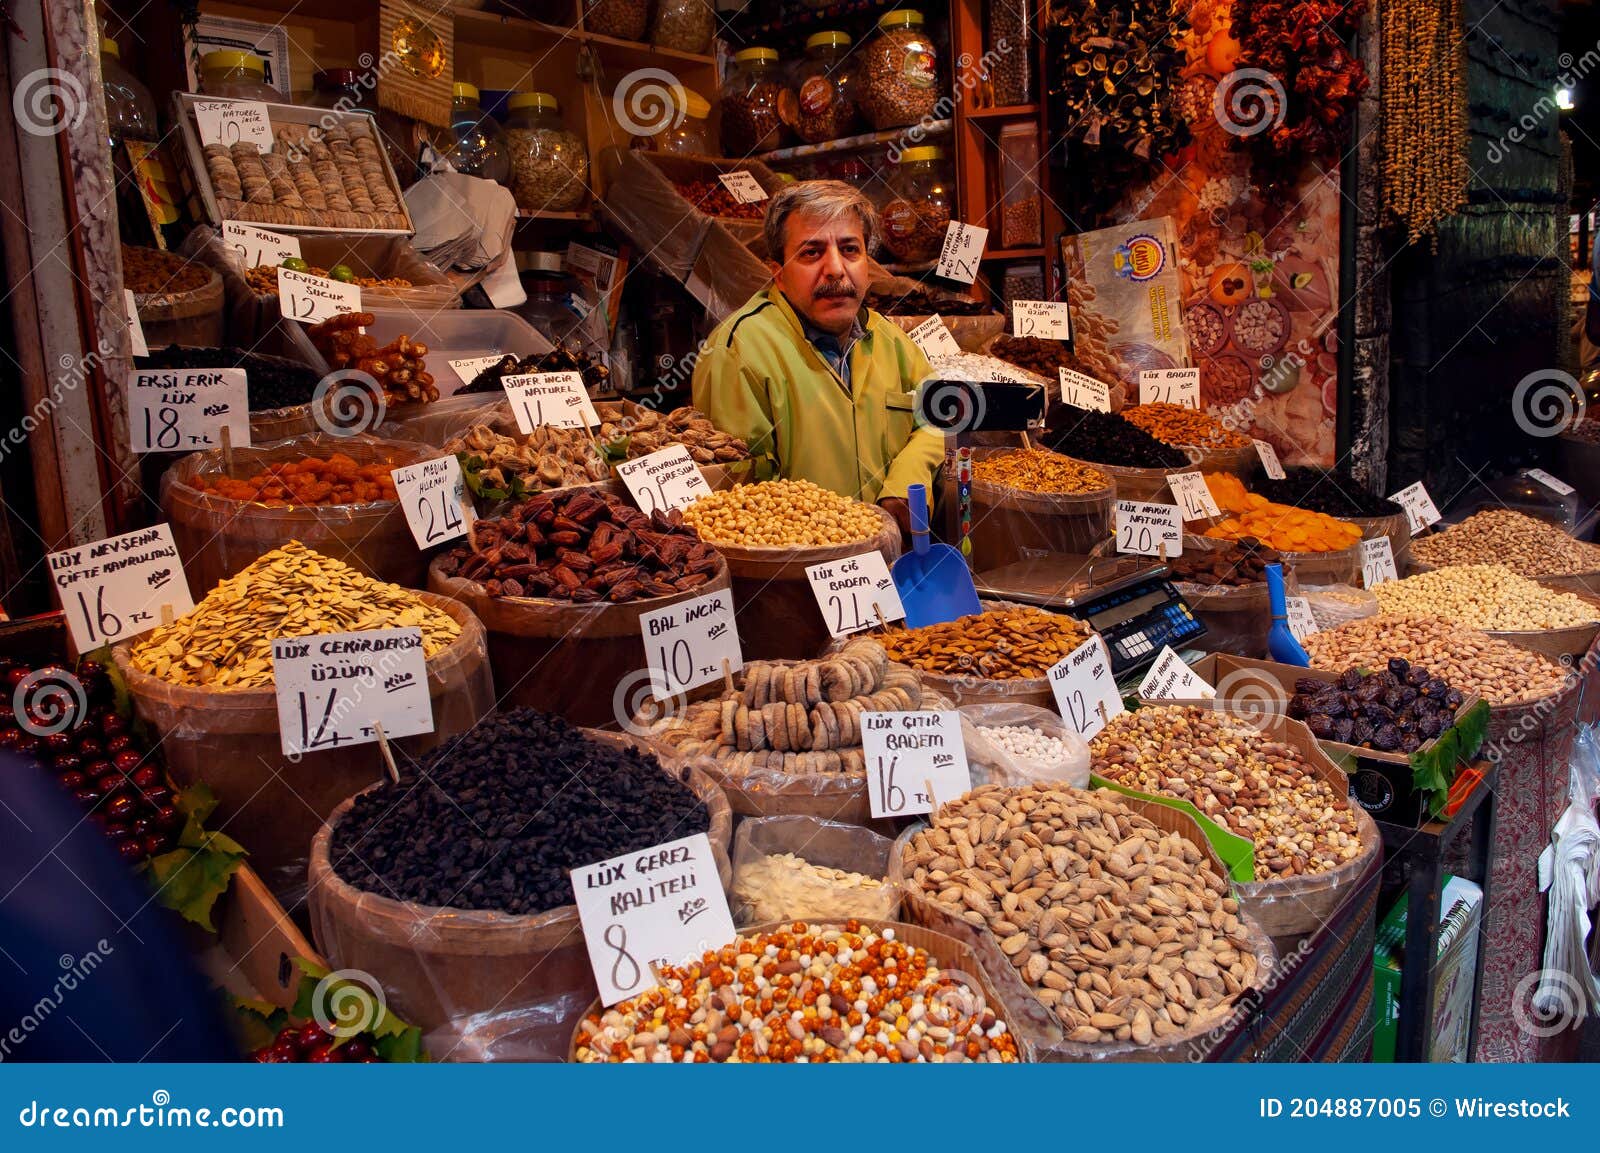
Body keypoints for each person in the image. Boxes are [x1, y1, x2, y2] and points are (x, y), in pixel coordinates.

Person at [691, 180, 944, 533]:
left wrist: (905, 482)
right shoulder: (739, 351)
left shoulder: (891, 340)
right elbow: (737, 505)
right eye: (812, 253)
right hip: (797, 578)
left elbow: (938, 416)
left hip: (890, 565)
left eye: (850, 249)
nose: (836, 269)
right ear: (777, 273)